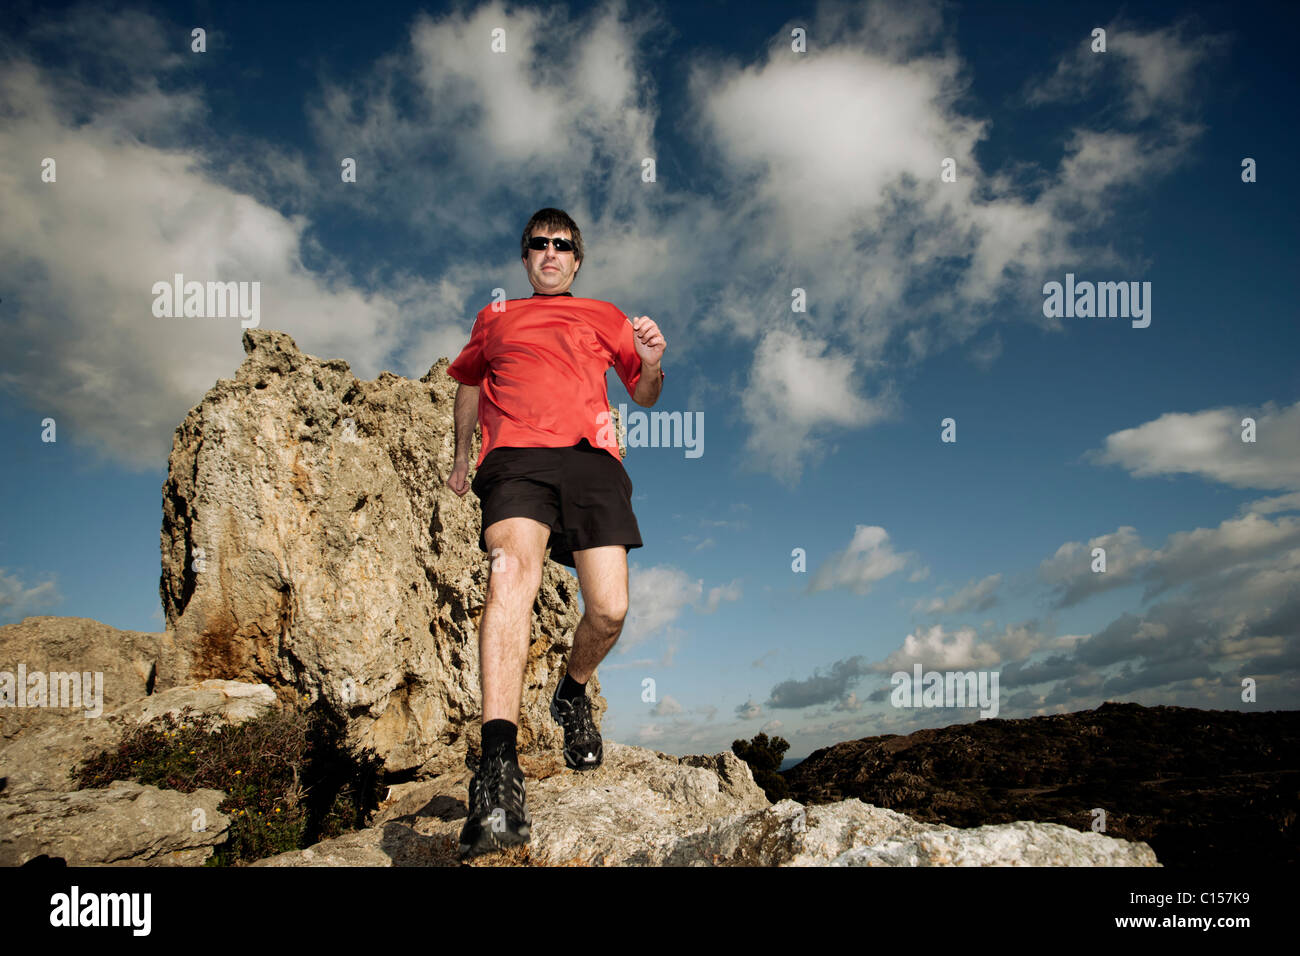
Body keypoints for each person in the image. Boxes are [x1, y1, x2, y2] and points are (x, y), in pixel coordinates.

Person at [445, 207, 666, 859]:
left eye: (562, 245)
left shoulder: (604, 315)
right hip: (515, 456)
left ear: (576, 258)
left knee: (610, 608)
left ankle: (571, 695)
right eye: (538, 244)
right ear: (525, 256)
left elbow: (646, 393)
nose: (549, 252)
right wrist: (462, 459)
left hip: (592, 460)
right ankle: (498, 772)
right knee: (512, 569)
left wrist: (650, 363)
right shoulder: (496, 319)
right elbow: (466, 384)